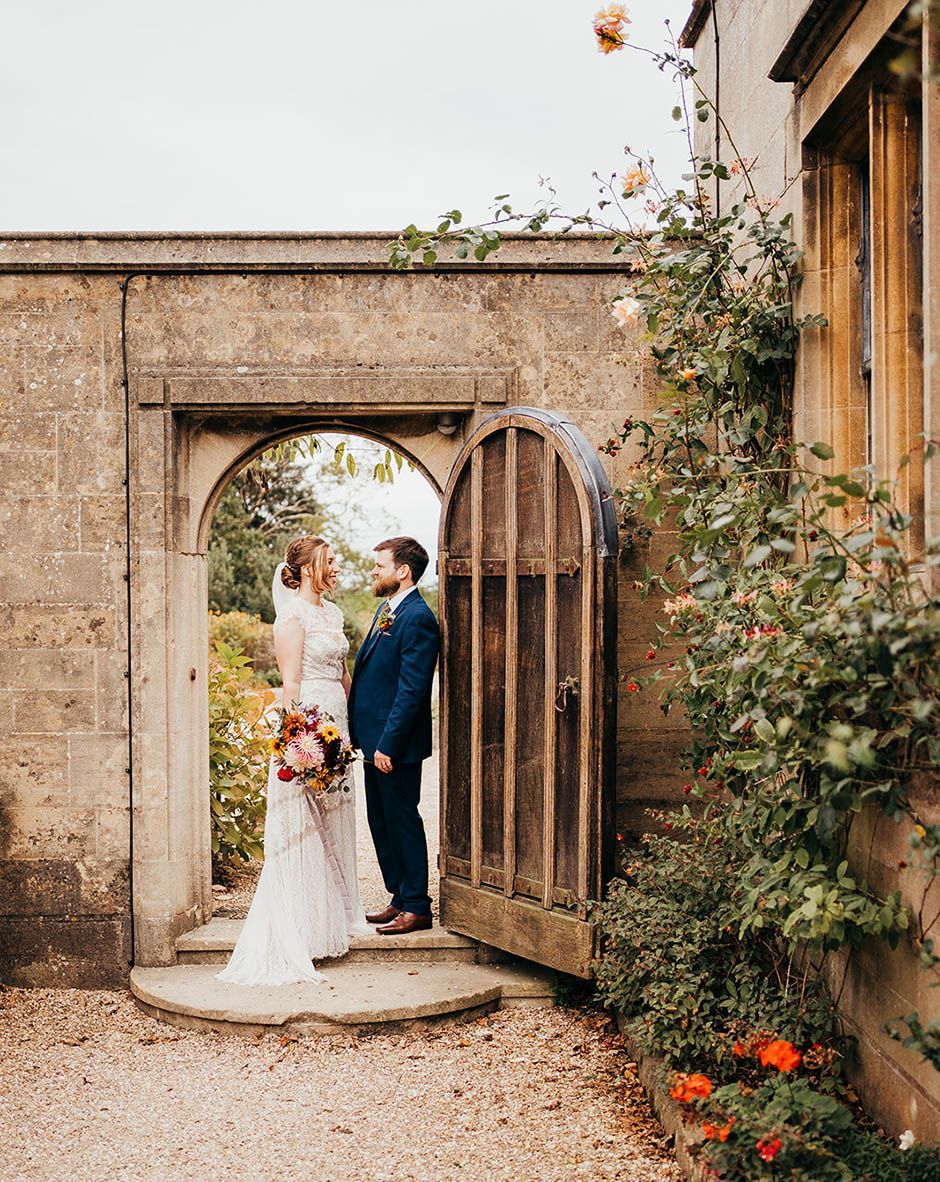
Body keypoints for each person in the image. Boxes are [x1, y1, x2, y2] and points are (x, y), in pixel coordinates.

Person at [217, 536, 368, 987]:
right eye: (329, 561)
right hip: (307, 730)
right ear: (306, 569)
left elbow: (343, 674)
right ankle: (300, 931)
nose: (336, 567)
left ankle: (330, 925)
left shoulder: (335, 614)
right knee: (303, 830)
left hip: (336, 726)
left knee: (334, 824)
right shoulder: (291, 616)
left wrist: (351, 731)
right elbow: (291, 683)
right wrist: (298, 743)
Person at [349, 536, 440, 935]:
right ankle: (399, 897)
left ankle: (417, 906)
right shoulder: (388, 609)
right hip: (373, 741)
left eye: (380, 565)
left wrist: (389, 743)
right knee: (380, 820)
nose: (375, 571)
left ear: (403, 571)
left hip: (393, 745)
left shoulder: (418, 616)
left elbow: (412, 689)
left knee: (402, 819)